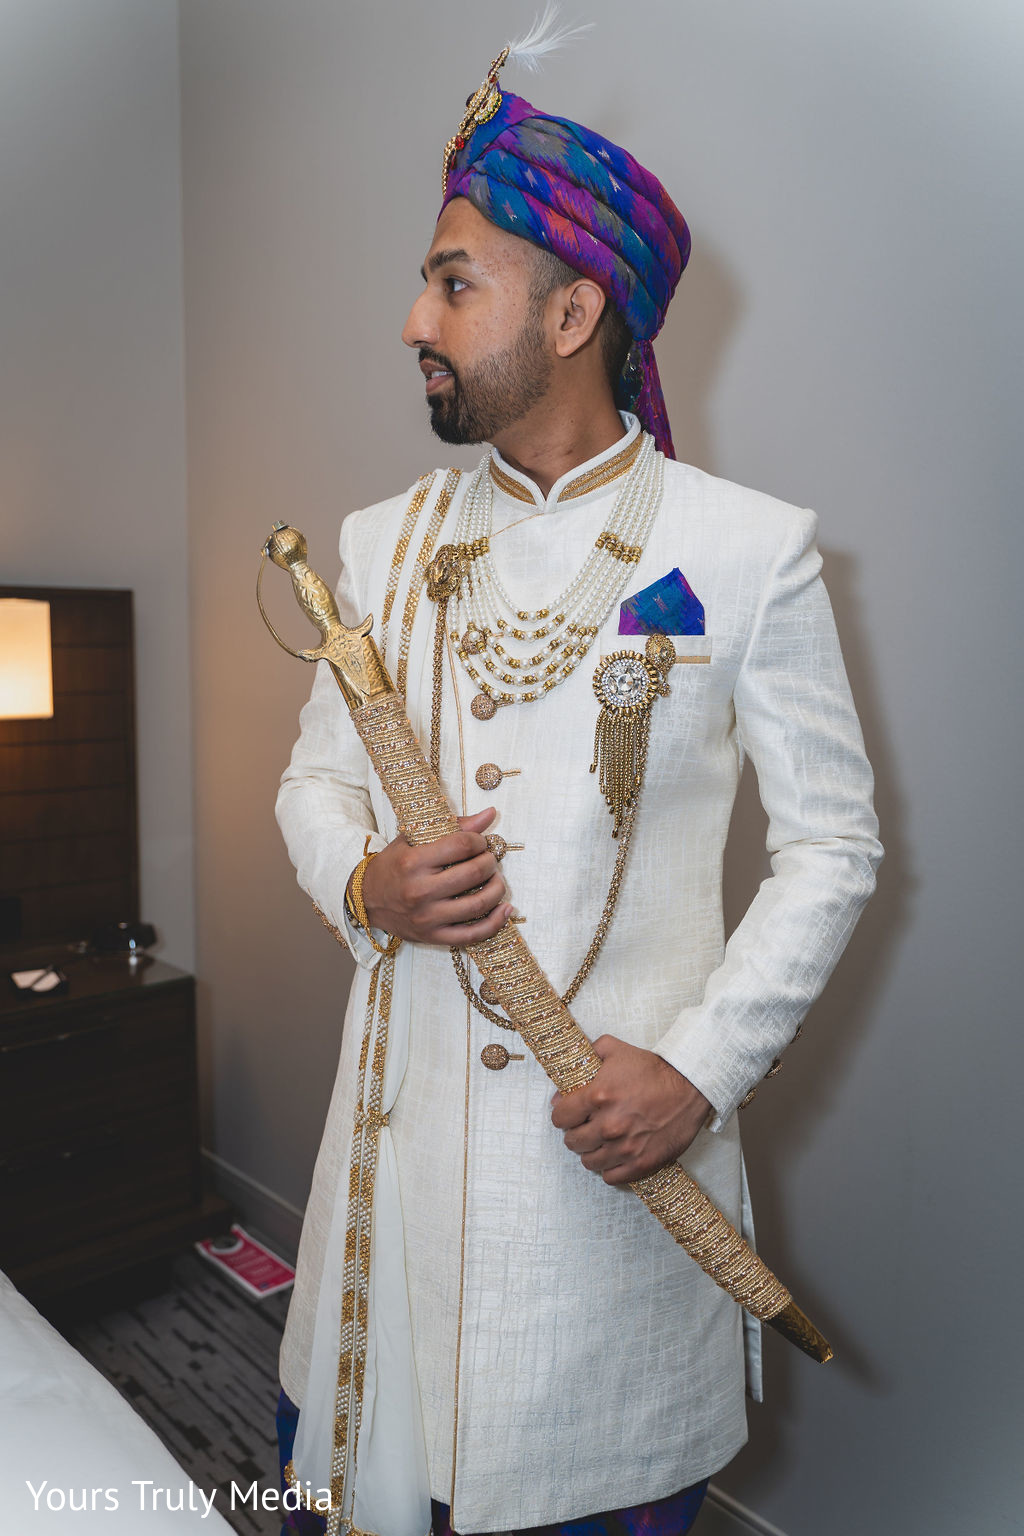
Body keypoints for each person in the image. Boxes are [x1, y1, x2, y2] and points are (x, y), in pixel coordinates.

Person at [273, 25, 882, 1536]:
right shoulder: (378, 543)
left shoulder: (750, 551)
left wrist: (698, 1068)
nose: (413, 315)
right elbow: (312, 784)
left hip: (606, 1197)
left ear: (575, 310)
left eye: (453, 281)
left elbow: (834, 849)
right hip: (390, 1192)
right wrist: (366, 883)